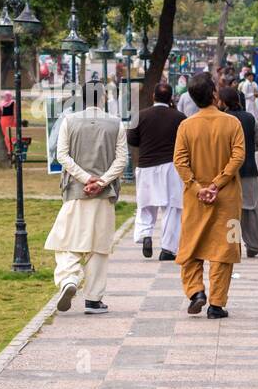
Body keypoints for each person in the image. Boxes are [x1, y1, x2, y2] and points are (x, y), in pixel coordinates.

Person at [47, 82, 129, 314]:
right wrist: (101, 182)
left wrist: (84, 179)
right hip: (104, 194)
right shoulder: (116, 124)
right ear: (103, 98)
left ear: (81, 98)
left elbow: (62, 155)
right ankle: (93, 299)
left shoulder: (69, 122)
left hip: (75, 191)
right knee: (99, 246)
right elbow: (121, 161)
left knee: (65, 240)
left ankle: (68, 279)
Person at [173, 72, 246, 319]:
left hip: (195, 200)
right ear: (215, 94)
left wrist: (198, 187)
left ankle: (195, 292)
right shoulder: (232, 123)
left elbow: (180, 162)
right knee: (224, 252)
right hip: (228, 199)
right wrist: (218, 183)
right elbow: (238, 156)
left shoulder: (186, 126)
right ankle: (216, 304)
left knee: (190, 247)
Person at [127, 80, 186, 260]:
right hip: (171, 166)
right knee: (171, 208)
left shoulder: (141, 115)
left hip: (146, 165)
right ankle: (168, 249)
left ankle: (145, 235)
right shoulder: (179, 117)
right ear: (171, 98)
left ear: (153, 96)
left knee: (146, 205)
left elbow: (132, 139)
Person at [220, 86, 258, 258]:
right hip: (248, 170)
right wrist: (251, 148)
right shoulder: (249, 118)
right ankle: (253, 244)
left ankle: (233, 245)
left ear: (223, 102)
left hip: (225, 172)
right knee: (251, 208)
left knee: (229, 210)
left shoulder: (221, 119)